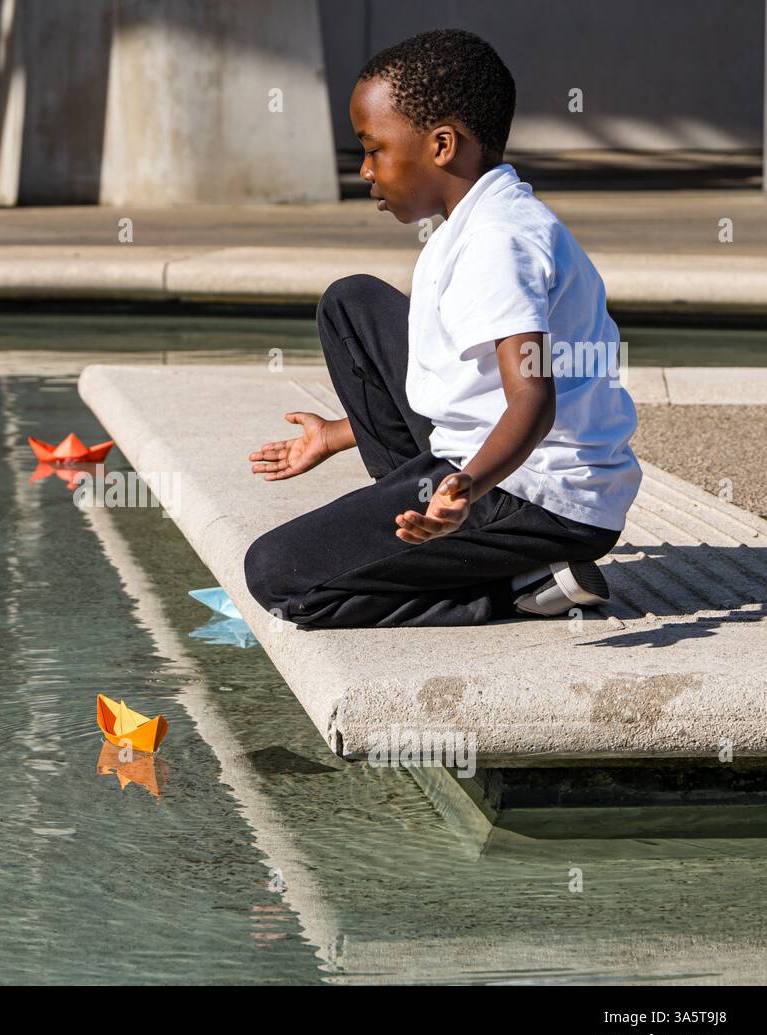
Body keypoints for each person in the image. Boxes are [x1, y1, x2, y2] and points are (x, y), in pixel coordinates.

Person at [243, 28, 641, 629]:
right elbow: (467, 382)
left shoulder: (496, 240)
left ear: (443, 145)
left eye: (374, 148)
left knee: (278, 575)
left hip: (540, 500)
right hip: (497, 465)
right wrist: (338, 433)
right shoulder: (472, 219)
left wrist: (466, 490)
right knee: (351, 304)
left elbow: (533, 398)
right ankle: (425, 515)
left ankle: (516, 587)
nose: (366, 169)